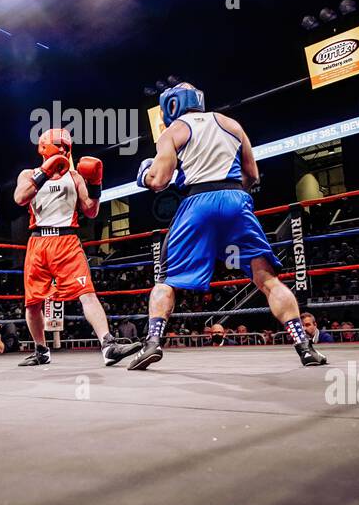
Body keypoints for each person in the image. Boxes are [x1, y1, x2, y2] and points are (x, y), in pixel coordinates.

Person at [130, 82, 327, 370]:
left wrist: (145, 174)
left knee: (167, 280)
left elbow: (159, 181)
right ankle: (305, 347)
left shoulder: (173, 132)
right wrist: (234, 199)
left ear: (170, 106)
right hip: (237, 199)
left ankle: (152, 344)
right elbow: (252, 175)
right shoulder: (232, 124)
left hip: (197, 203)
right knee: (267, 279)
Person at [12, 128, 141, 367]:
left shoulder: (75, 177)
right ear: (43, 147)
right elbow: (20, 198)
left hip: (67, 242)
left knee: (87, 294)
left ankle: (108, 345)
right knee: (32, 303)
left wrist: (96, 185)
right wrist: (45, 172)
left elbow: (91, 210)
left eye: (66, 147)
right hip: (38, 241)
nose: (63, 150)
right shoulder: (28, 174)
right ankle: (41, 351)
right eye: (58, 145)